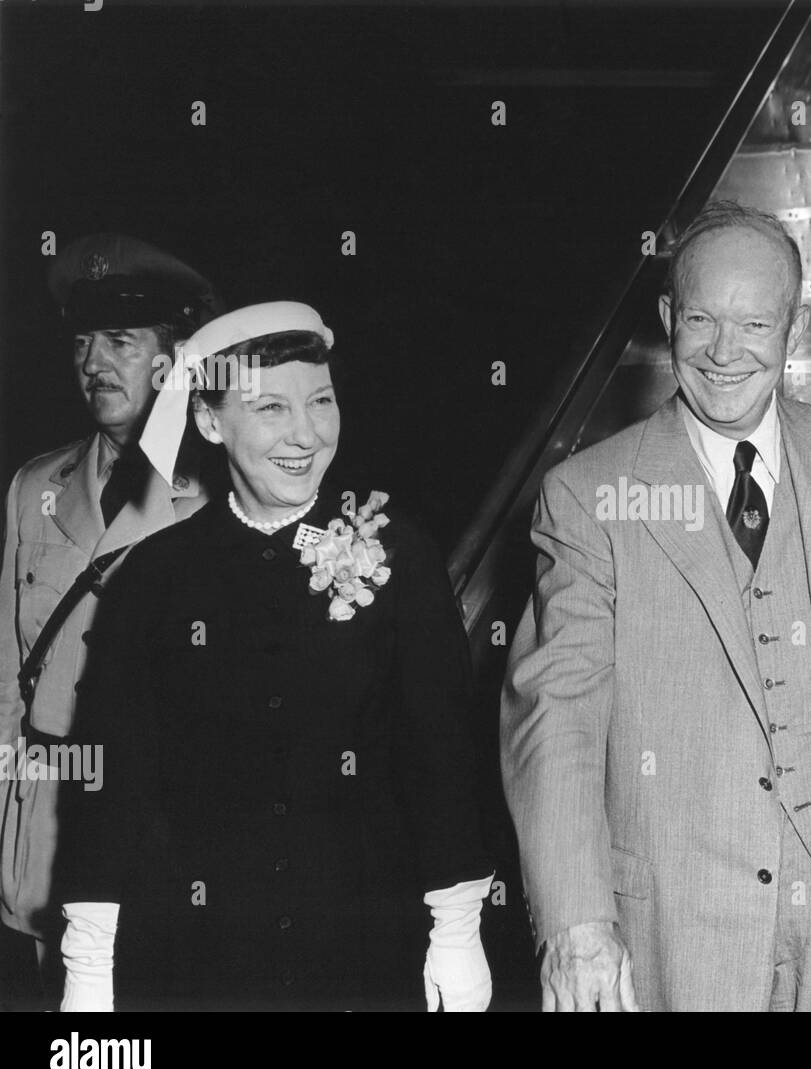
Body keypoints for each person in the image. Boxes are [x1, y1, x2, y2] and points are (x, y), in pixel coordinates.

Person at [501, 202, 811, 1011]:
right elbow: (557, 719)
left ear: (793, 326)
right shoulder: (589, 495)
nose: (726, 351)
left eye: (754, 322)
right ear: (665, 320)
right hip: (675, 941)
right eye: (701, 320)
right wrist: (577, 924)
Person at [54, 302, 494, 1011]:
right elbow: (113, 783)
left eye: (321, 401)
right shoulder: (153, 577)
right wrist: (90, 964)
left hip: (365, 947)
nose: (306, 433)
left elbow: (439, 755)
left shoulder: (397, 553)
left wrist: (457, 928)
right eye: (270, 408)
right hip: (197, 955)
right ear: (208, 421)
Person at [0, 233, 217, 1009]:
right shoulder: (35, 488)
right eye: (84, 341)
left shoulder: (224, 496)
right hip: (45, 832)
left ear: (176, 356)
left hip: (168, 838)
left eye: (121, 341)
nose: (95, 362)